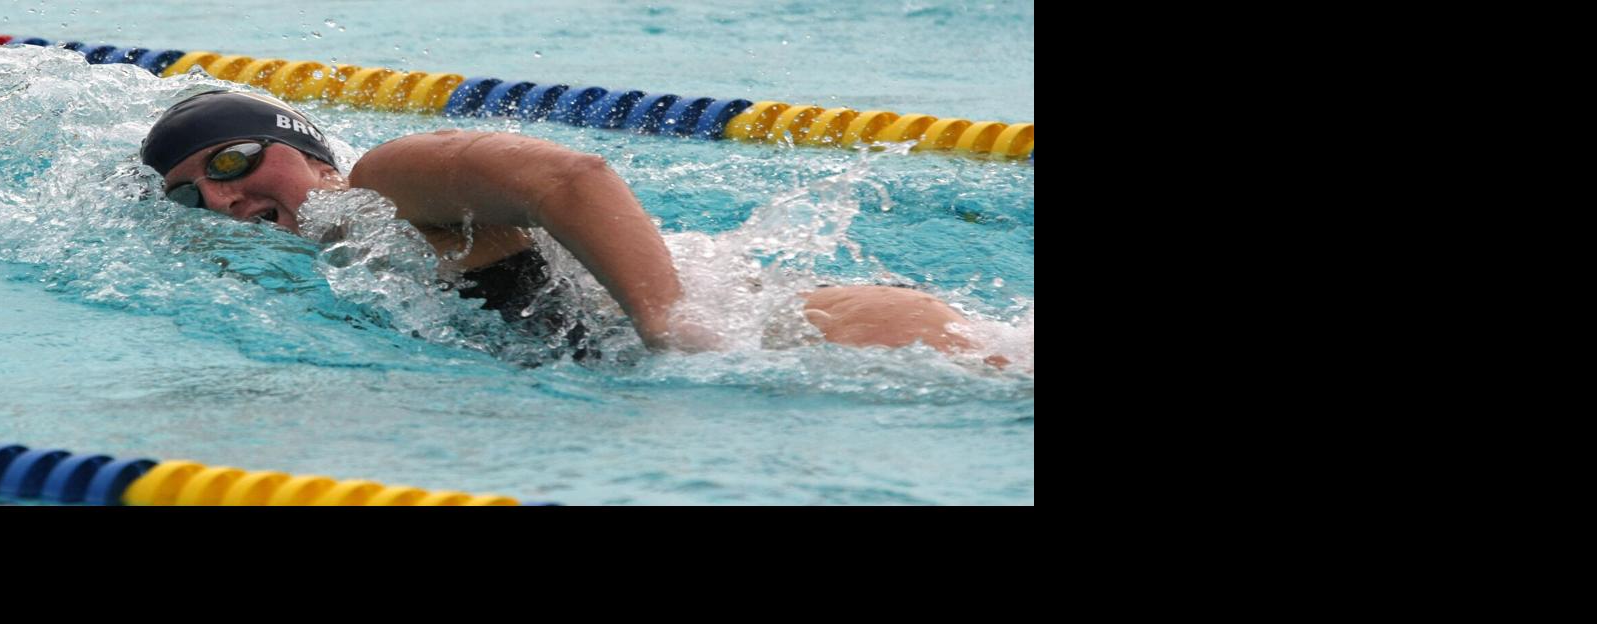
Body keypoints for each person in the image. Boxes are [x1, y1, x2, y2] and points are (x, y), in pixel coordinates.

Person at [140, 90, 1009, 366]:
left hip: (830, 333)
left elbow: (572, 174)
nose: (222, 198)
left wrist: (669, 323)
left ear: (303, 147)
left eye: (230, 161)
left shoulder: (382, 181)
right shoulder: (339, 251)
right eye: (191, 196)